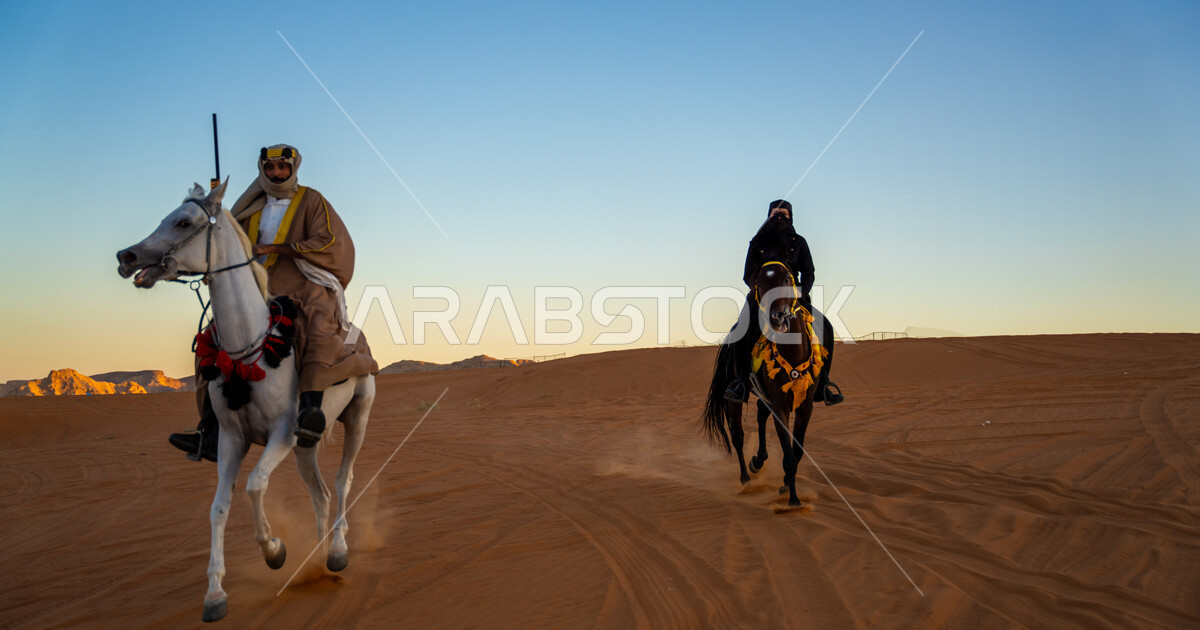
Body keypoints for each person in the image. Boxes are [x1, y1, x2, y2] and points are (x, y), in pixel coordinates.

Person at [169, 144, 378, 461]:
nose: (277, 173)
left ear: (293, 169)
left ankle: (309, 412)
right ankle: (209, 431)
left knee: (316, 328)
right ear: (262, 169)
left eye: (283, 167)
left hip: (303, 284)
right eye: (270, 168)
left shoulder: (311, 201)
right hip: (256, 288)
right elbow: (224, 242)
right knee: (211, 340)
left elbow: (329, 242)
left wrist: (278, 249)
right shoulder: (251, 206)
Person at [724, 199, 843, 405]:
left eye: (783, 214)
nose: (779, 217)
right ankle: (741, 382)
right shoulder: (757, 242)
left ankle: (823, 383)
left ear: (790, 217)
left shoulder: (799, 242)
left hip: (793, 296)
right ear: (768, 216)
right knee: (739, 330)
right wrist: (759, 289)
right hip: (760, 296)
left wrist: (801, 292)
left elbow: (809, 272)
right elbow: (747, 274)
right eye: (775, 213)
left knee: (826, 327)